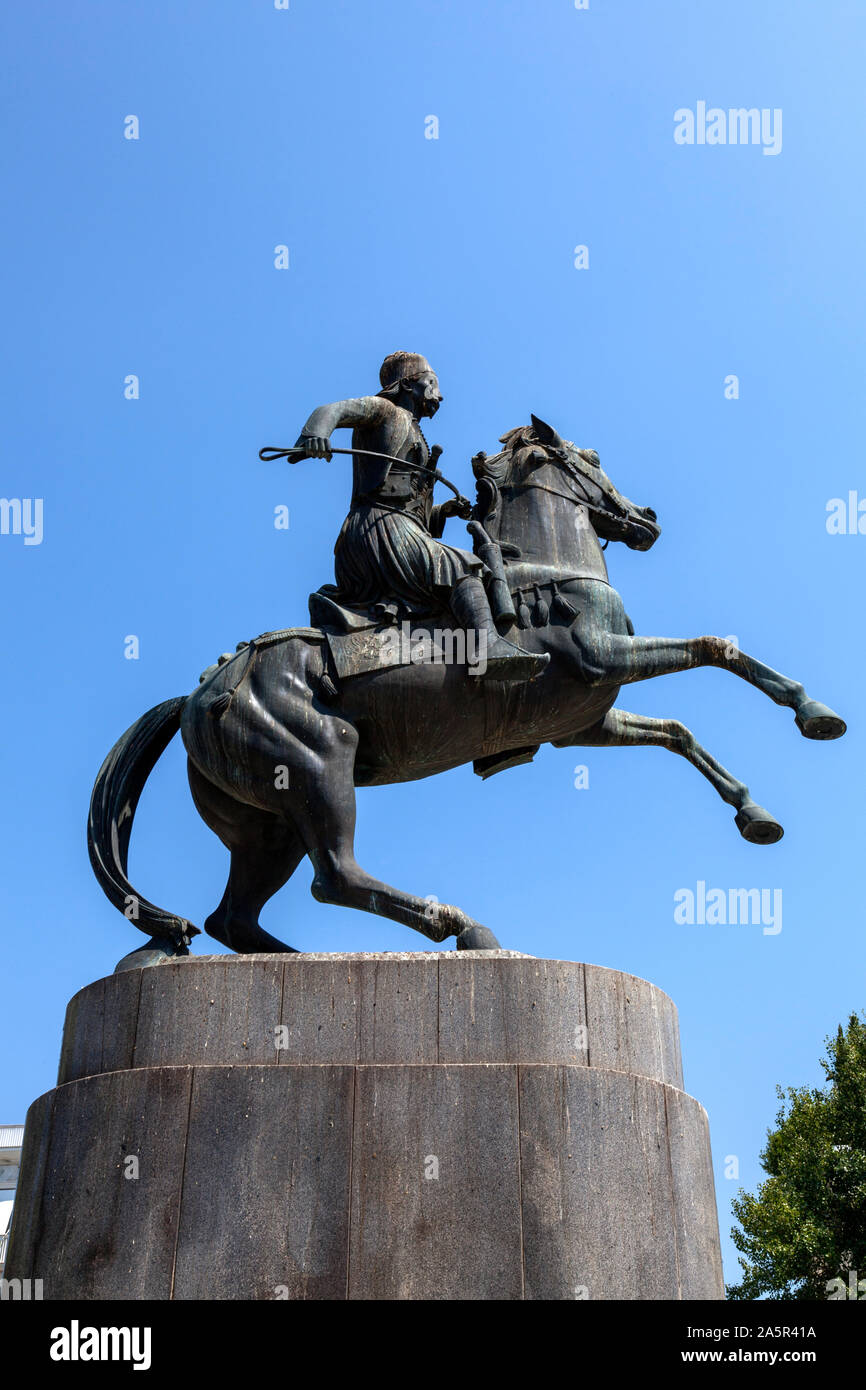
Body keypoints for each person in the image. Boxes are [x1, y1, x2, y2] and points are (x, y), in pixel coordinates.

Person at [293, 350, 548, 682]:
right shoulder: (385, 411)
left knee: (448, 564)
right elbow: (333, 410)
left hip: (399, 529)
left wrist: (443, 512)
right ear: (410, 384)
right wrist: (317, 433)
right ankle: (486, 646)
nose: (439, 394)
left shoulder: (414, 432)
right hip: (377, 529)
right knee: (460, 563)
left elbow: (418, 519)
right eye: (433, 383)